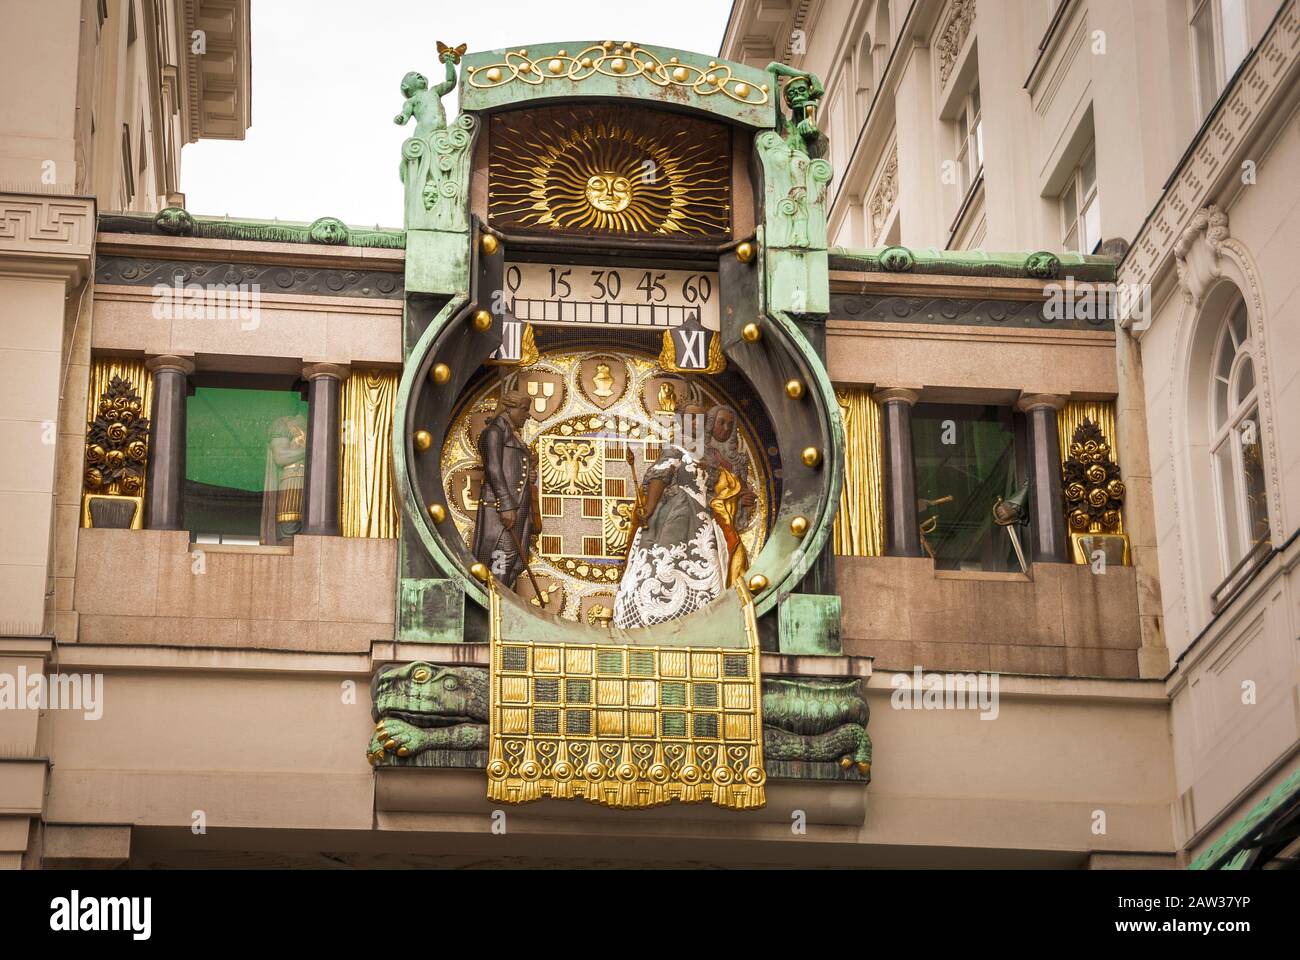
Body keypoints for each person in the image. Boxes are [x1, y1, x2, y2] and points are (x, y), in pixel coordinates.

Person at [613, 406, 728, 629]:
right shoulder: (674, 449)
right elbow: (660, 478)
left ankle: (698, 613)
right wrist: (649, 507)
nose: (696, 422)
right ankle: (657, 607)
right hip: (677, 512)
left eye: (700, 418)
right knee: (666, 560)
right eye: (690, 418)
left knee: (704, 560)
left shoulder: (709, 455)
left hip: (703, 517)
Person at [472, 392, 540, 589]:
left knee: (516, 562)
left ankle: (504, 600)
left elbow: (511, 469)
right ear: (509, 408)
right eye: (524, 409)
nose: (527, 415)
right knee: (503, 556)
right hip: (504, 509)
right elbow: (493, 468)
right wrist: (505, 503)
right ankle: (494, 604)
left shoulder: (510, 435)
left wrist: (528, 478)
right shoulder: (493, 433)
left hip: (518, 509)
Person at [699, 405, 758, 587]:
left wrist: (745, 501)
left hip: (729, 520)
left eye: (729, 425)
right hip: (706, 521)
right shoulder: (700, 454)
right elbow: (698, 491)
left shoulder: (738, 461)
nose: (725, 429)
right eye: (721, 423)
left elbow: (741, 491)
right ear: (710, 424)